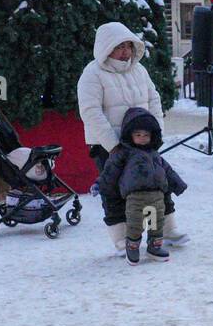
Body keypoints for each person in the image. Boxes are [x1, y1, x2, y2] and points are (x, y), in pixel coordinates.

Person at [77, 22, 187, 248]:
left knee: (158, 184)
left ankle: (167, 229)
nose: (125, 51)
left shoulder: (140, 70)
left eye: (128, 45)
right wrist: (113, 145)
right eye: (119, 46)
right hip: (109, 147)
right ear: (106, 47)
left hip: (143, 144)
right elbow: (90, 111)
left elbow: (154, 100)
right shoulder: (92, 74)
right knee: (114, 191)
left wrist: (156, 134)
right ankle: (122, 238)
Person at [96, 107, 188, 266]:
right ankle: (132, 247)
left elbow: (167, 170)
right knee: (135, 223)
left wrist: (178, 184)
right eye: (138, 135)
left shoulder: (155, 154)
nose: (142, 138)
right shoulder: (124, 153)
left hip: (157, 197)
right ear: (129, 135)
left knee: (156, 223)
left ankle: (154, 247)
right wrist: (100, 184)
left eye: (146, 135)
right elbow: (110, 170)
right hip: (135, 198)